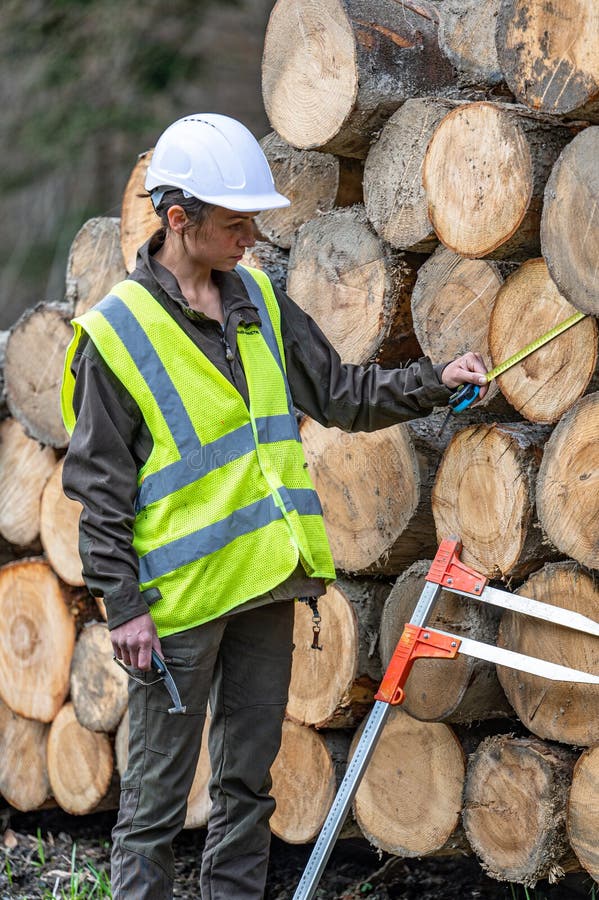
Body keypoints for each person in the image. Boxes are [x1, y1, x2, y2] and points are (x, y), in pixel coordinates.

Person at [60, 113, 488, 900]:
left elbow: (341, 394)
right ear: (177, 218)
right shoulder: (115, 334)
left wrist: (435, 382)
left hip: (263, 584)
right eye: (234, 223)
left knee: (246, 792)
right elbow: (100, 488)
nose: (250, 237)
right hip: (175, 607)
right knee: (152, 812)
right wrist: (123, 607)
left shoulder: (256, 294)